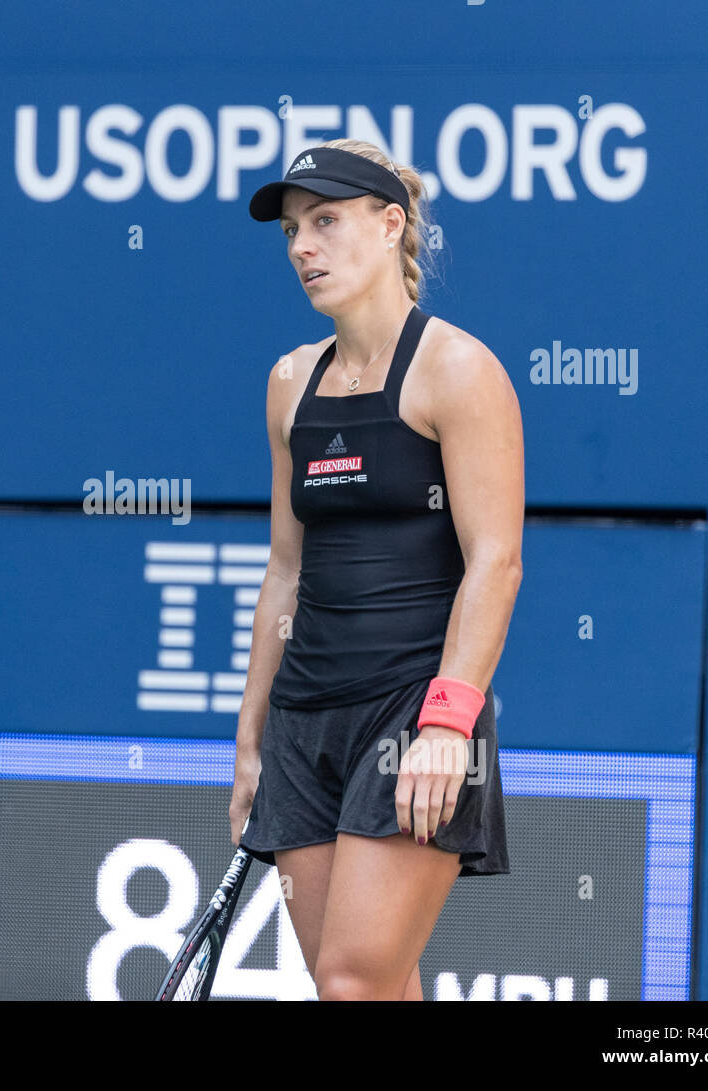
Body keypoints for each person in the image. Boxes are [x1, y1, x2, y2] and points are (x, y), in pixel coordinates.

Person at [232, 142, 524, 1001]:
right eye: (292, 230)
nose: (302, 248)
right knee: (378, 989)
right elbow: (284, 571)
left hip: (413, 712)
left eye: (325, 222)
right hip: (303, 723)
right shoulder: (290, 382)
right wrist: (252, 737)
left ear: (391, 223)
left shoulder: (460, 370)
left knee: (352, 981)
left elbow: (496, 563)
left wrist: (446, 724)